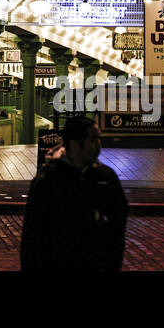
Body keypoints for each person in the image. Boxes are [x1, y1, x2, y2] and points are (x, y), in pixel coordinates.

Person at [20, 115, 128, 271]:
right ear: (75, 144)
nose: (99, 145)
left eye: (99, 139)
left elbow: (117, 226)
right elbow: (33, 234)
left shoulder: (106, 177)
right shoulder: (49, 179)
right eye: (93, 139)